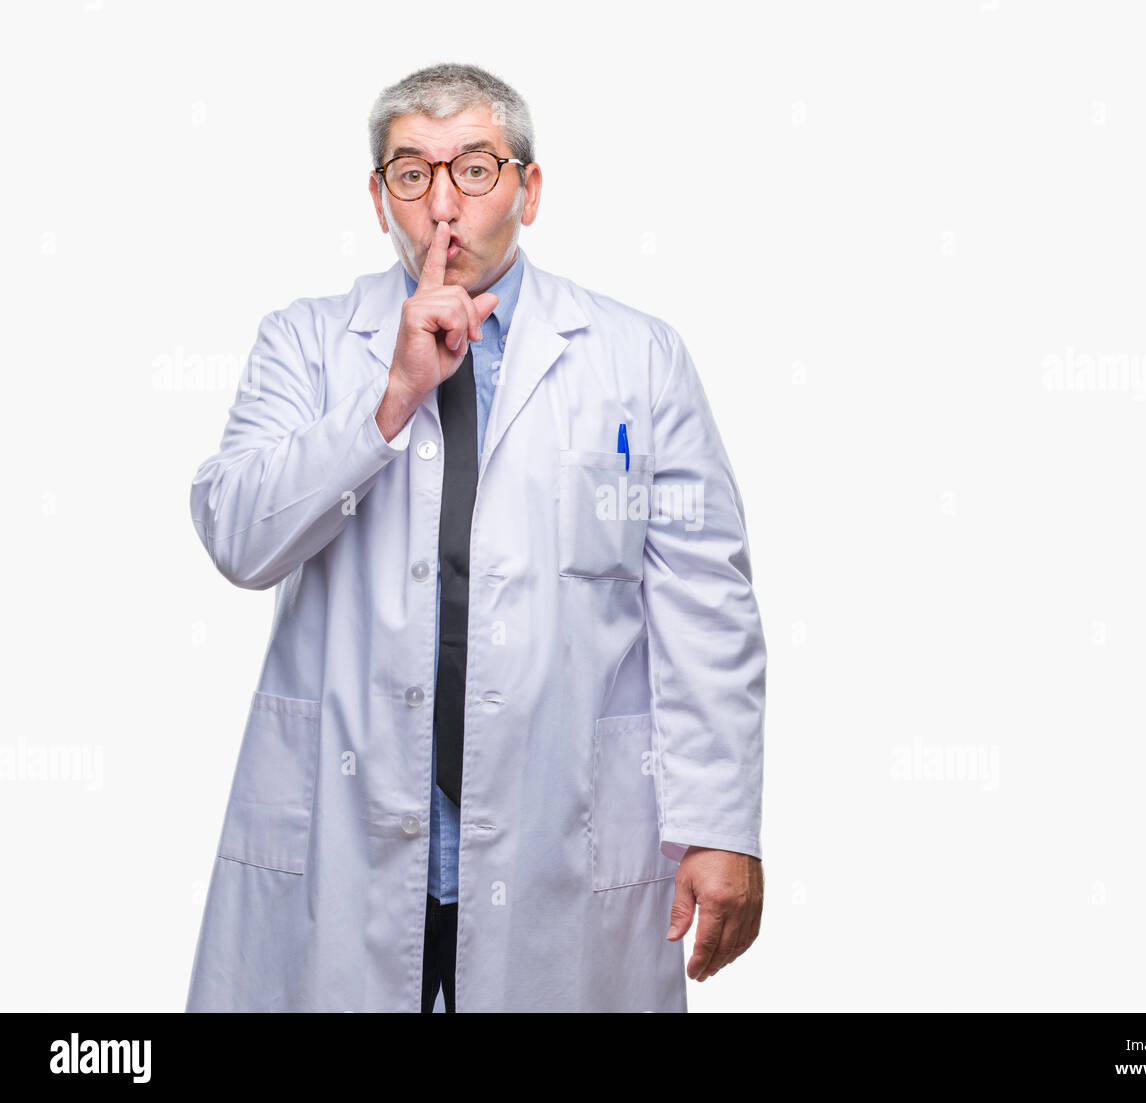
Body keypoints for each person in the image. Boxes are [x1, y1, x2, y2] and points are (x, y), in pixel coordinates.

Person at [185, 62, 766, 1013]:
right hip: (348, 836)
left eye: (475, 169)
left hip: (561, 831)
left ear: (529, 190)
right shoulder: (308, 345)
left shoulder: (635, 356)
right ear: (379, 198)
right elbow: (238, 536)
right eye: (412, 174)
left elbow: (706, 602)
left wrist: (721, 825)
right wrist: (391, 398)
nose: (442, 202)